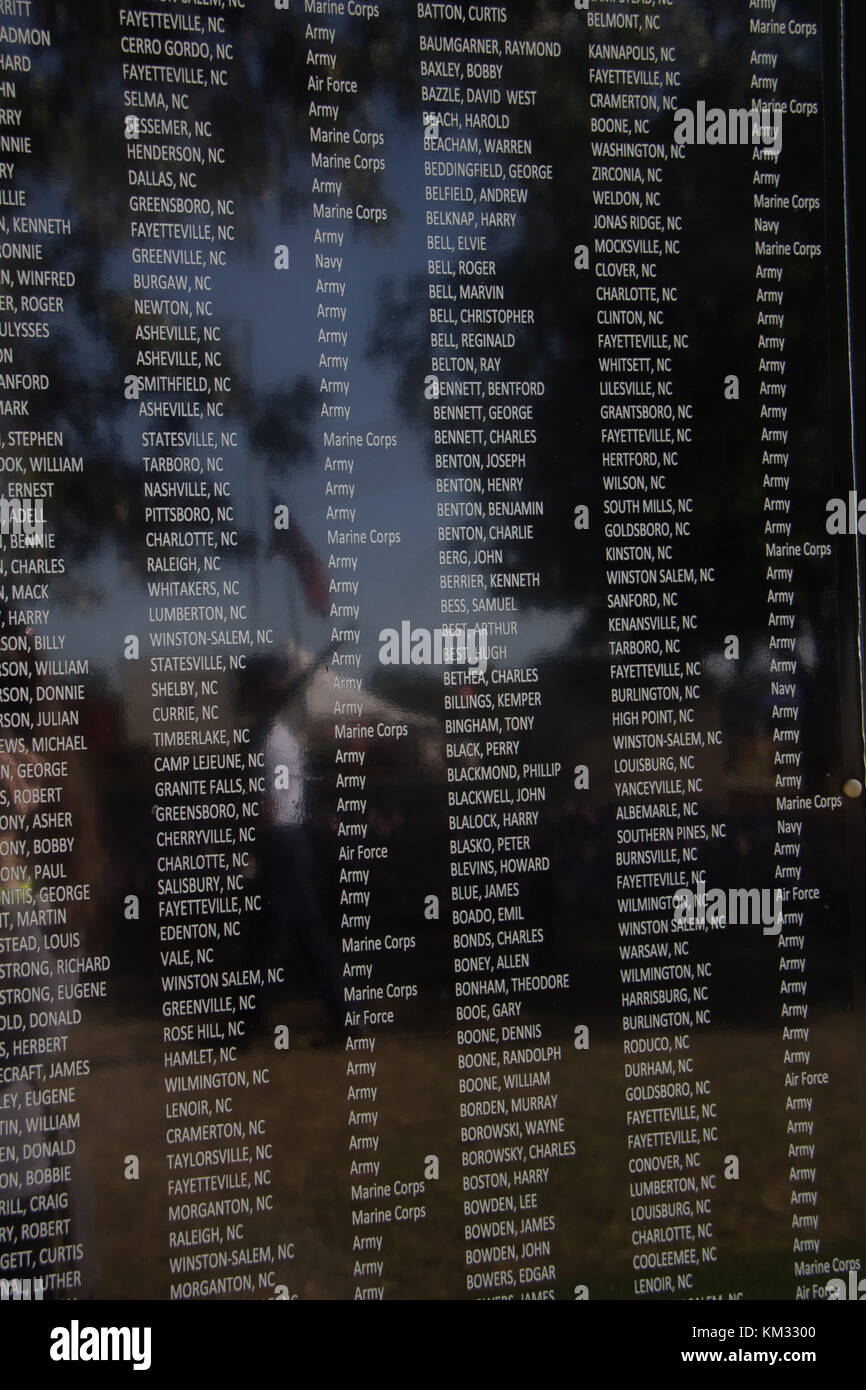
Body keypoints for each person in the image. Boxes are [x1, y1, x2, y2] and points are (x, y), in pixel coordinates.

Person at [238, 653, 343, 1043]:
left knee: (269, 942)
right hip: (290, 844)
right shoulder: (277, 734)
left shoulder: (268, 740)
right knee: (306, 938)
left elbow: (268, 808)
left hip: (280, 845)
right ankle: (344, 1017)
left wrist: (249, 847)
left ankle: (245, 1027)